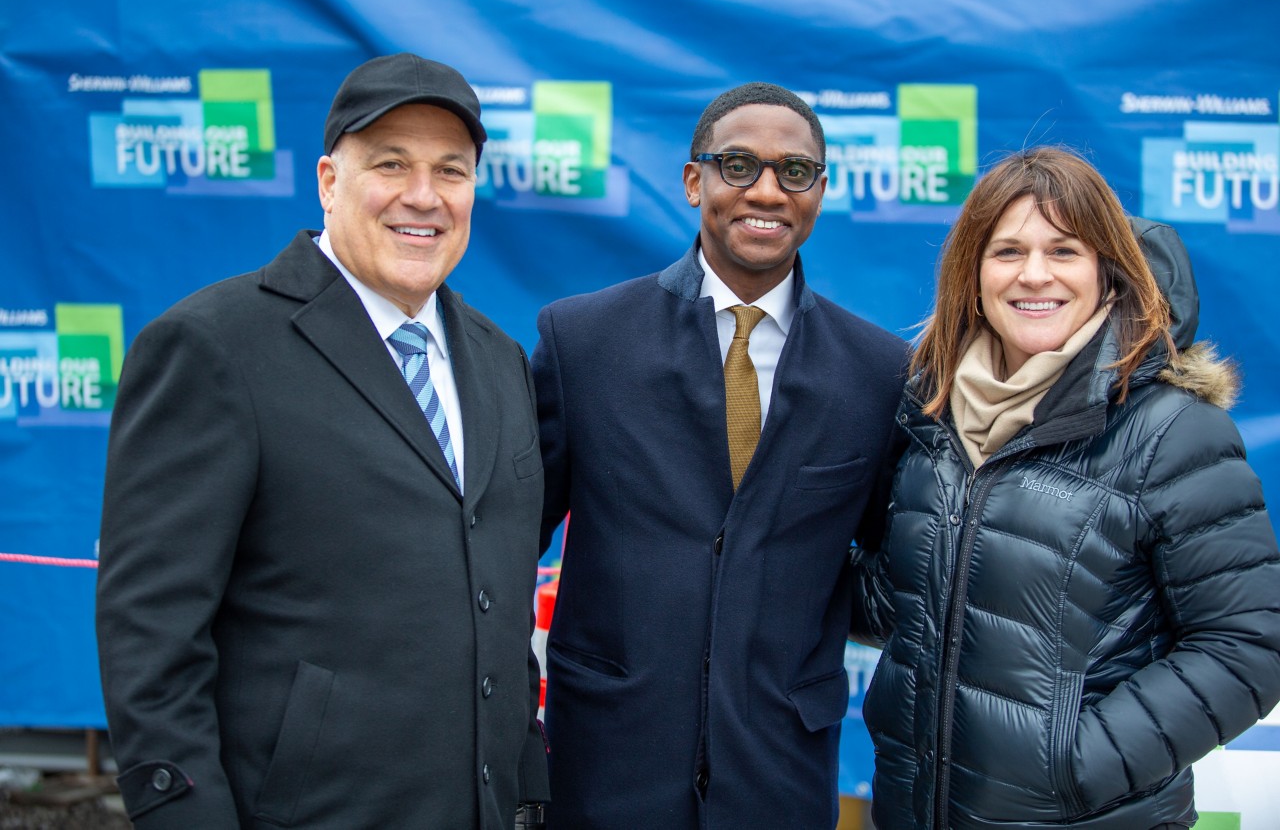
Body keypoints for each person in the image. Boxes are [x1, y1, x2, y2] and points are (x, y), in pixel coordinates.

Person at [95, 53, 549, 829]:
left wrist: (530, 790)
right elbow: (151, 636)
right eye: (391, 164)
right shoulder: (214, 346)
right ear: (329, 182)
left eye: (451, 170)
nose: (423, 196)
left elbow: (500, 615)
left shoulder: (500, 358)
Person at [851, 146, 1280, 830]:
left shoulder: (1170, 431)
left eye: (1064, 251)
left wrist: (1076, 767)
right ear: (973, 274)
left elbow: (1248, 643)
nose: (1034, 275)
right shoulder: (930, 417)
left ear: (1108, 272)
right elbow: (899, 602)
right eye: (1008, 251)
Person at [530, 82, 909, 828]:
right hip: (603, 767)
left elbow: (893, 572)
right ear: (693, 179)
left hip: (780, 776)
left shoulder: (878, 371)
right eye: (738, 164)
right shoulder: (585, 343)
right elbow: (506, 548)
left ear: (821, 192)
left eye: (794, 172)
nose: (766, 190)